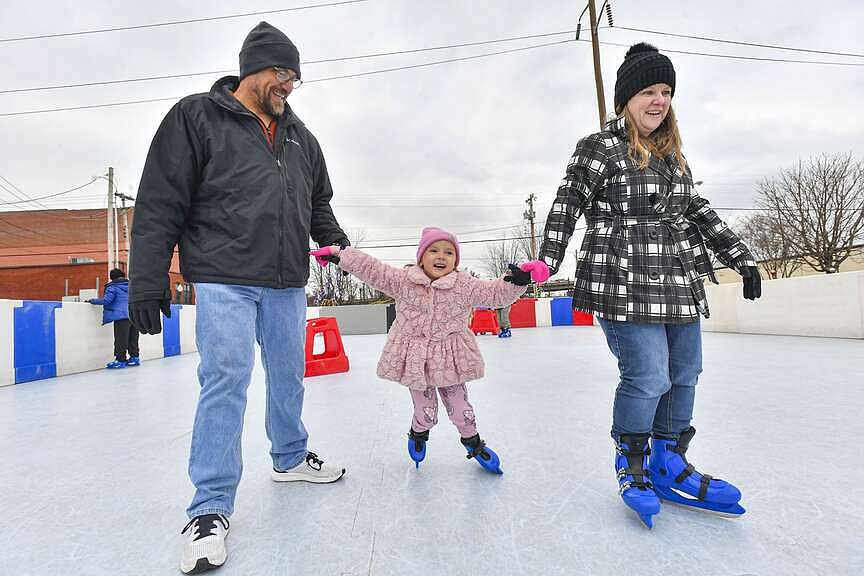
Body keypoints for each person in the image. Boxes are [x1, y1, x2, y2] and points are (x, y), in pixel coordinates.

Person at [128, 22, 350, 574]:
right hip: (223, 274)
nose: (290, 86)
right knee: (226, 379)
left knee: (290, 371)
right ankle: (209, 508)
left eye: (296, 79)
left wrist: (338, 244)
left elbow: (318, 204)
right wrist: (147, 277)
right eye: (283, 74)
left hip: (286, 280)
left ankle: (290, 455)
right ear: (255, 67)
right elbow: (159, 201)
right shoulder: (196, 117)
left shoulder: (302, 137)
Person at [538, 43, 762, 528]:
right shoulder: (601, 147)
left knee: (686, 371)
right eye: (647, 91)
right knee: (648, 375)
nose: (658, 100)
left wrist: (741, 259)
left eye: (665, 91)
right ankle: (633, 459)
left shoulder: (673, 157)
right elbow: (566, 202)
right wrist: (544, 261)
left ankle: (669, 460)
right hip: (621, 278)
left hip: (676, 279)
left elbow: (697, 211)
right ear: (626, 99)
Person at [311, 228, 548, 474]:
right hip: (418, 360)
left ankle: (473, 442)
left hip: (449, 359)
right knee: (426, 411)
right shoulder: (403, 280)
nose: (441, 256)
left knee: (462, 409)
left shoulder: (463, 284)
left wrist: (519, 278)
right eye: (434, 250)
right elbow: (372, 269)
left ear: (456, 260)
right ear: (421, 257)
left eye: (448, 252)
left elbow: (494, 294)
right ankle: (418, 431)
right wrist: (339, 255)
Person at [88, 267, 139, 368]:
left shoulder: (113, 287)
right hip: (134, 315)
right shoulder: (131, 286)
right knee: (133, 338)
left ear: (112, 278)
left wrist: (92, 300)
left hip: (121, 316)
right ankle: (134, 358)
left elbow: (107, 300)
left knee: (121, 339)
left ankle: (120, 360)